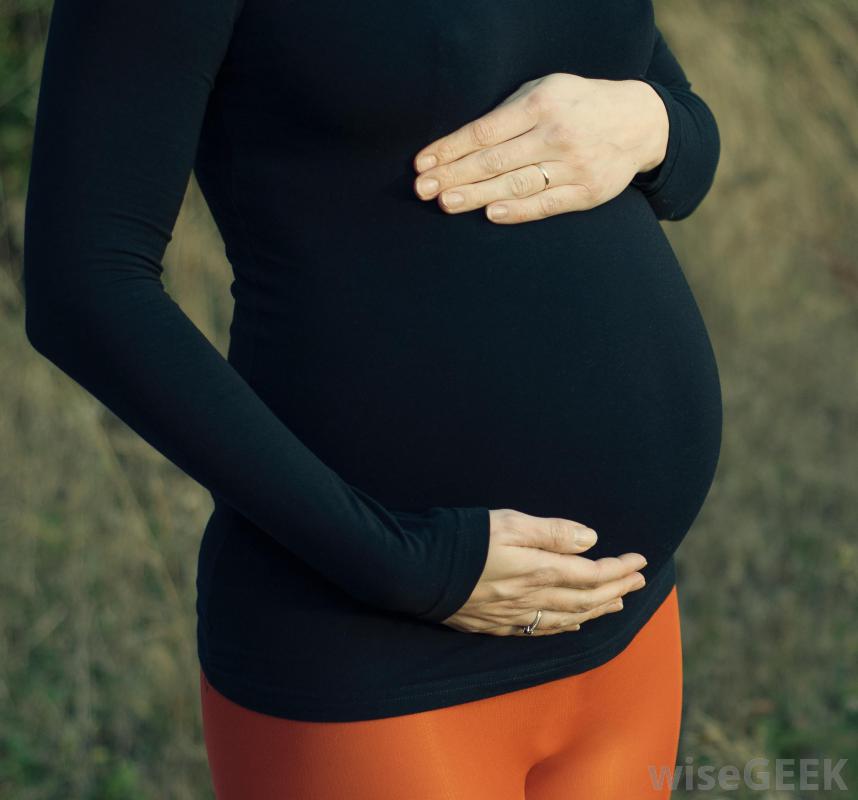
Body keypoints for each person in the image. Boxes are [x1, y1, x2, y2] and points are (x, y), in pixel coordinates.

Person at [22, 0, 721, 797]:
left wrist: (654, 122)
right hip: (371, 653)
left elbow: (681, 144)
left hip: (622, 618)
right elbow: (83, 286)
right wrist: (404, 565)